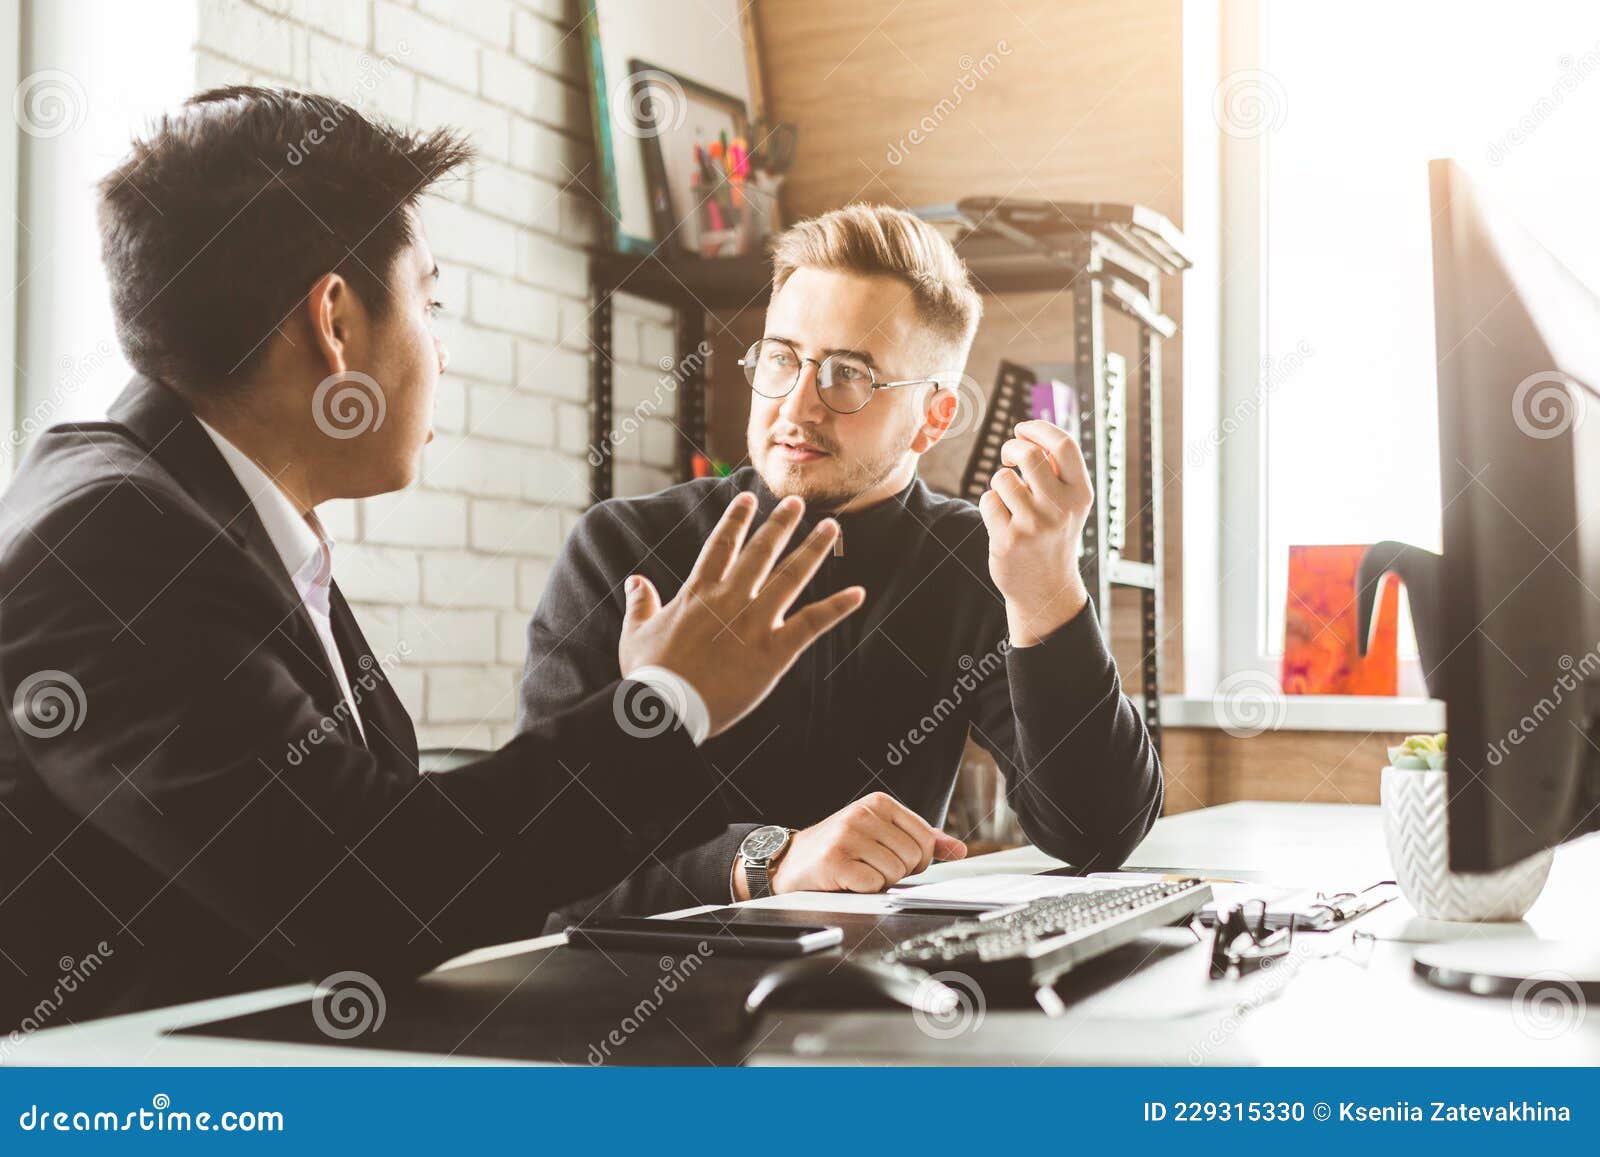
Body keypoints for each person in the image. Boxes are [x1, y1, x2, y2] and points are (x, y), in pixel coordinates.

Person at [0, 88, 863, 1031]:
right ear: (335, 323)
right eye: (430, 301)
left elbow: (367, 835)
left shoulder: (204, 514)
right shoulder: (111, 539)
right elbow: (365, 893)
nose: (442, 355)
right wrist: (666, 701)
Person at [519, 203, 1164, 926]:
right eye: (781, 358)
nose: (797, 407)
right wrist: (768, 862)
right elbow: (545, 850)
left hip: (887, 983)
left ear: (934, 417)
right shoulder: (624, 546)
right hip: (637, 985)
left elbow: (1098, 833)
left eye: (848, 374)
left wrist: (1049, 594)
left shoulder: (976, 560)